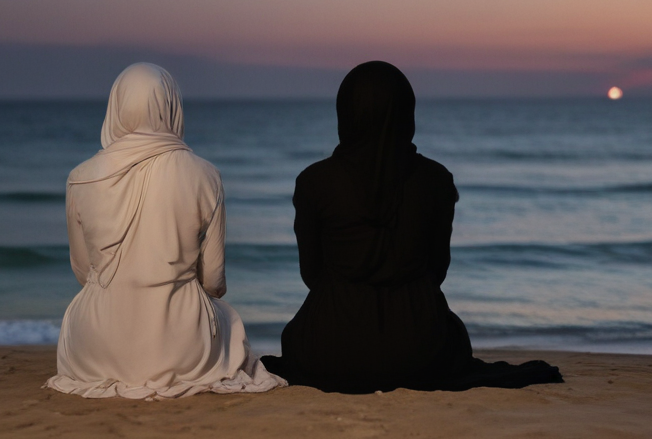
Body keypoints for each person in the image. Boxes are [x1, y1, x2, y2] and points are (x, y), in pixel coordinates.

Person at [261, 61, 562, 394]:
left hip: (332, 349)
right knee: (452, 338)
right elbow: (438, 269)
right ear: (407, 113)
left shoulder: (314, 182)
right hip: (420, 349)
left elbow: (311, 274)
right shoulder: (436, 180)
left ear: (344, 113)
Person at [45, 63, 285, 399]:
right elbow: (215, 283)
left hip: (95, 344)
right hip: (181, 347)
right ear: (172, 106)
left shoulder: (80, 177)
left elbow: (83, 272)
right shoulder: (206, 175)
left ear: (117, 106)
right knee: (227, 320)